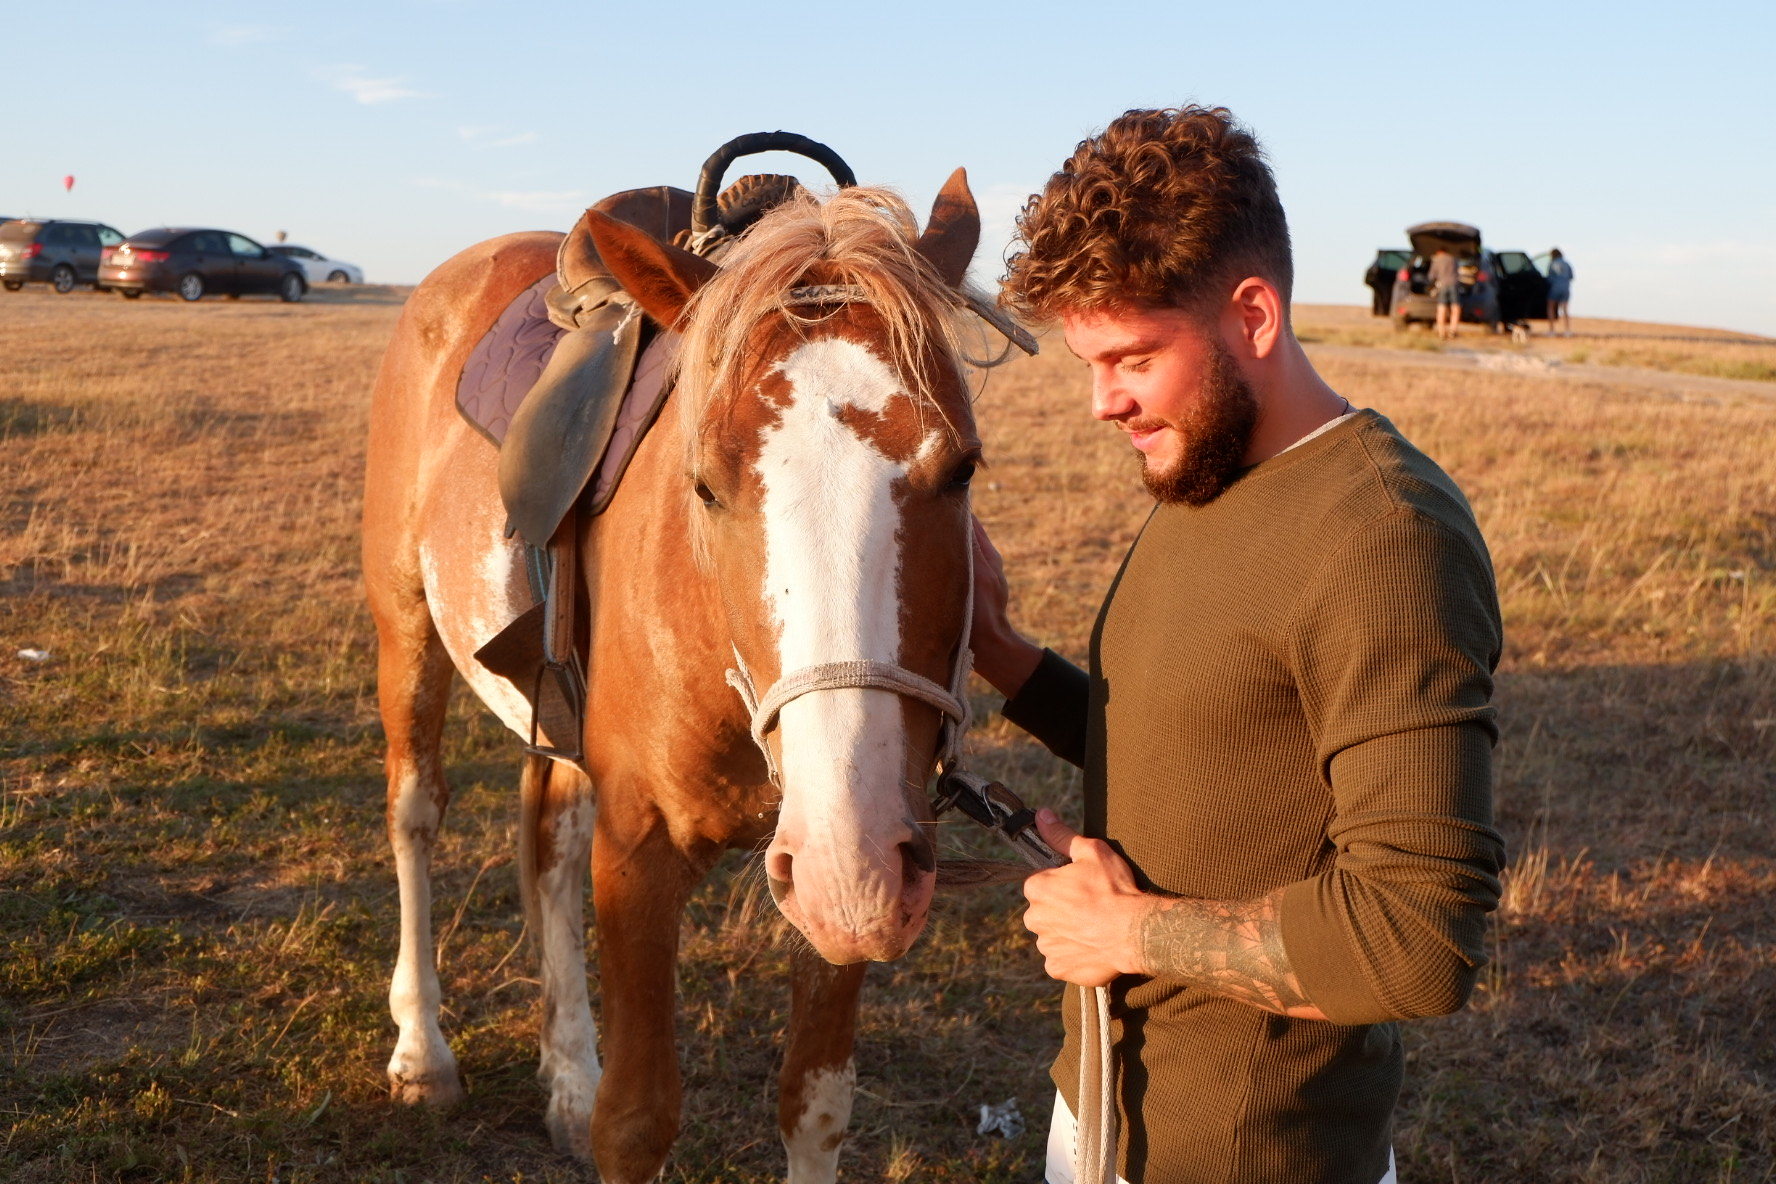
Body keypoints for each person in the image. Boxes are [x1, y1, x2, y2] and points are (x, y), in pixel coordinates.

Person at [972, 106, 1506, 1184]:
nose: (1099, 400)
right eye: (1088, 359)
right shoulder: (1210, 465)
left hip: (1247, 1152)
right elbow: (1209, 729)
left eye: (1130, 356)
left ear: (1253, 314)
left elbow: (1417, 939)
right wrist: (1005, 658)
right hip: (1107, 1112)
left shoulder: (1382, 533)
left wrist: (1130, 934)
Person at [1427, 245, 1461, 339]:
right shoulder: (1453, 259)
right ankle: (1453, 330)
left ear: (1438, 252)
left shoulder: (1436, 260)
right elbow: (1458, 271)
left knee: (1441, 308)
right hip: (1454, 284)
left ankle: (1441, 332)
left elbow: (1431, 276)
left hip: (1442, 285)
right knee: (1455, 308)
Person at [1546, 248, 1574, 336]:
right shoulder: (1567, 263)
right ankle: (1567, 330)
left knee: (1550, 307)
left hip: (1555, 288)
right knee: (1565, 309)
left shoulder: (1552, 264)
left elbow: (1549, 277)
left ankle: (1552, 330)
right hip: (1566, 288)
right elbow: (1571, 276)